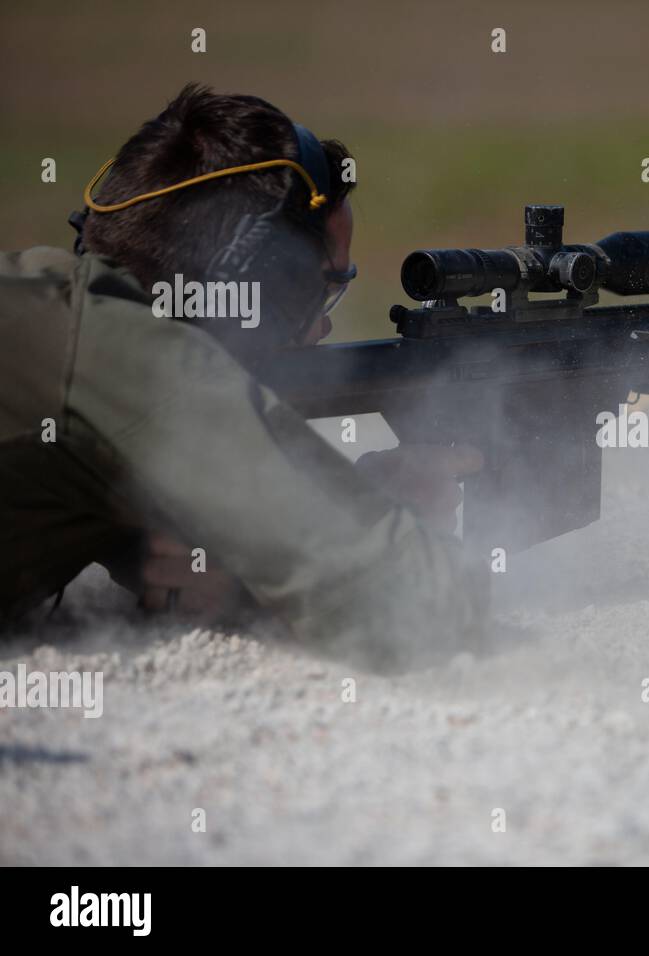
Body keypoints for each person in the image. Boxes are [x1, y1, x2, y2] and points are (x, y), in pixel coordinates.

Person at [0, 84, 482, 667]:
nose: (321, 331)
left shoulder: (72, 322)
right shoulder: (131, 357)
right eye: (325, 289)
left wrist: (228, 559)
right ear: (265, 289)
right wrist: (384, 520)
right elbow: (408, 597)